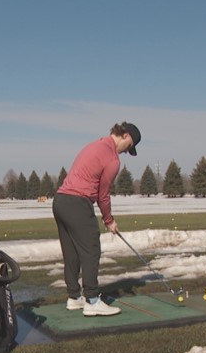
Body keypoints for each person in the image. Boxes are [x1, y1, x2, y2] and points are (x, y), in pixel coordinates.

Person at [53, 122, 141, 316]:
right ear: (125, 135)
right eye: (130, 146)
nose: (127, 152)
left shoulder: (95, 145)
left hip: (60, 201)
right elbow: (103, 194)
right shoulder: (112, 158)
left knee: (72, 252)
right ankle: (92, 301)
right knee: (91, 249)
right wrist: (109, 220)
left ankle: (74, 297)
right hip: (77, 203)